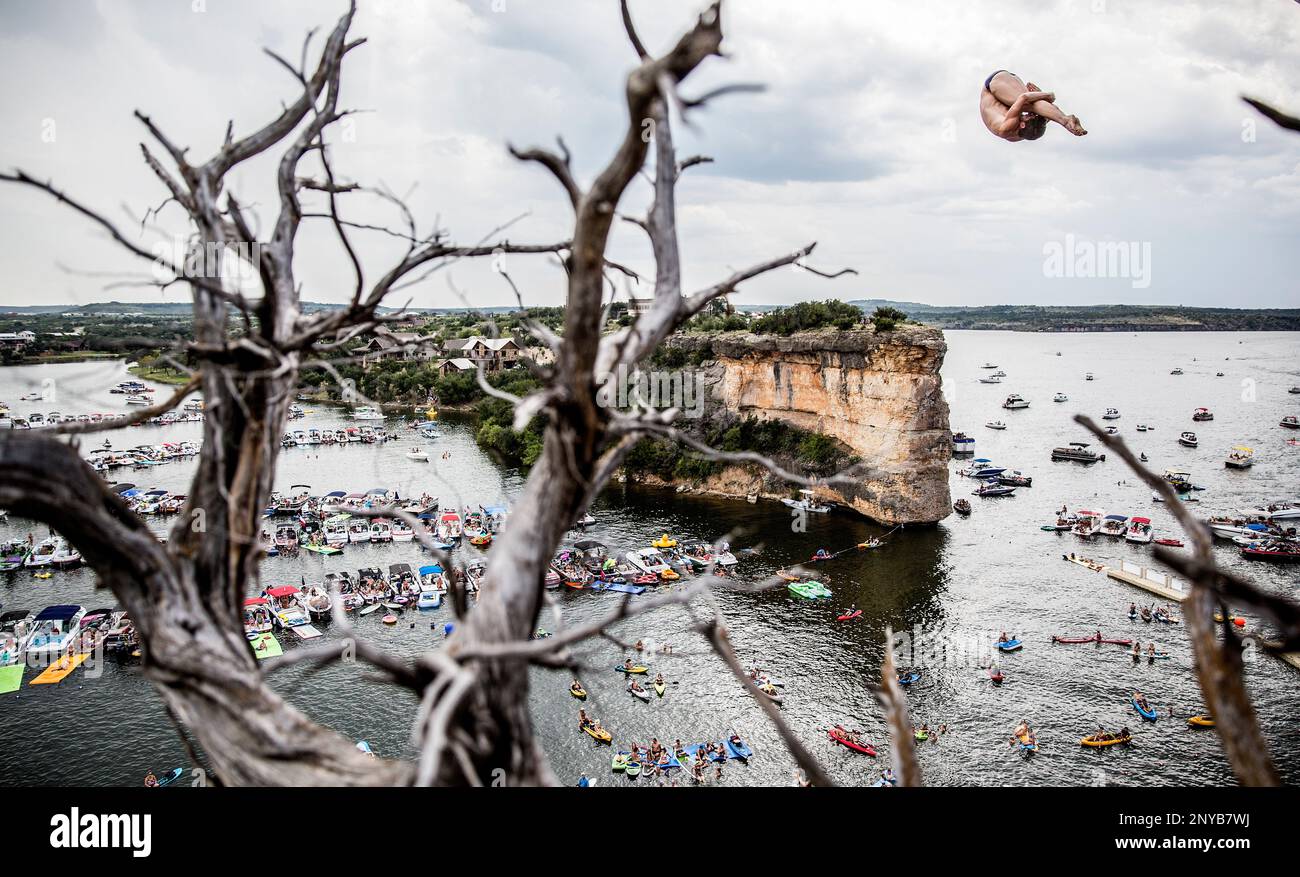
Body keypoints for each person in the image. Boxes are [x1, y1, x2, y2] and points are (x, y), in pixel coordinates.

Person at [980, 70, 1087, 141]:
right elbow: (1043, 118)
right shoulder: (1025, 132)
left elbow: (1024, 98)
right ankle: (1066, 120)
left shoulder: (1006, 127)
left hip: (995, 83)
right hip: (1005, 88)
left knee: (1027, 104)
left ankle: (1066, 121)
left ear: (1022, 125)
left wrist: (1048, 96)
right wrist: (1043, 99)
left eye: (1029, 116)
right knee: (1031, 106)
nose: (1029, 115)